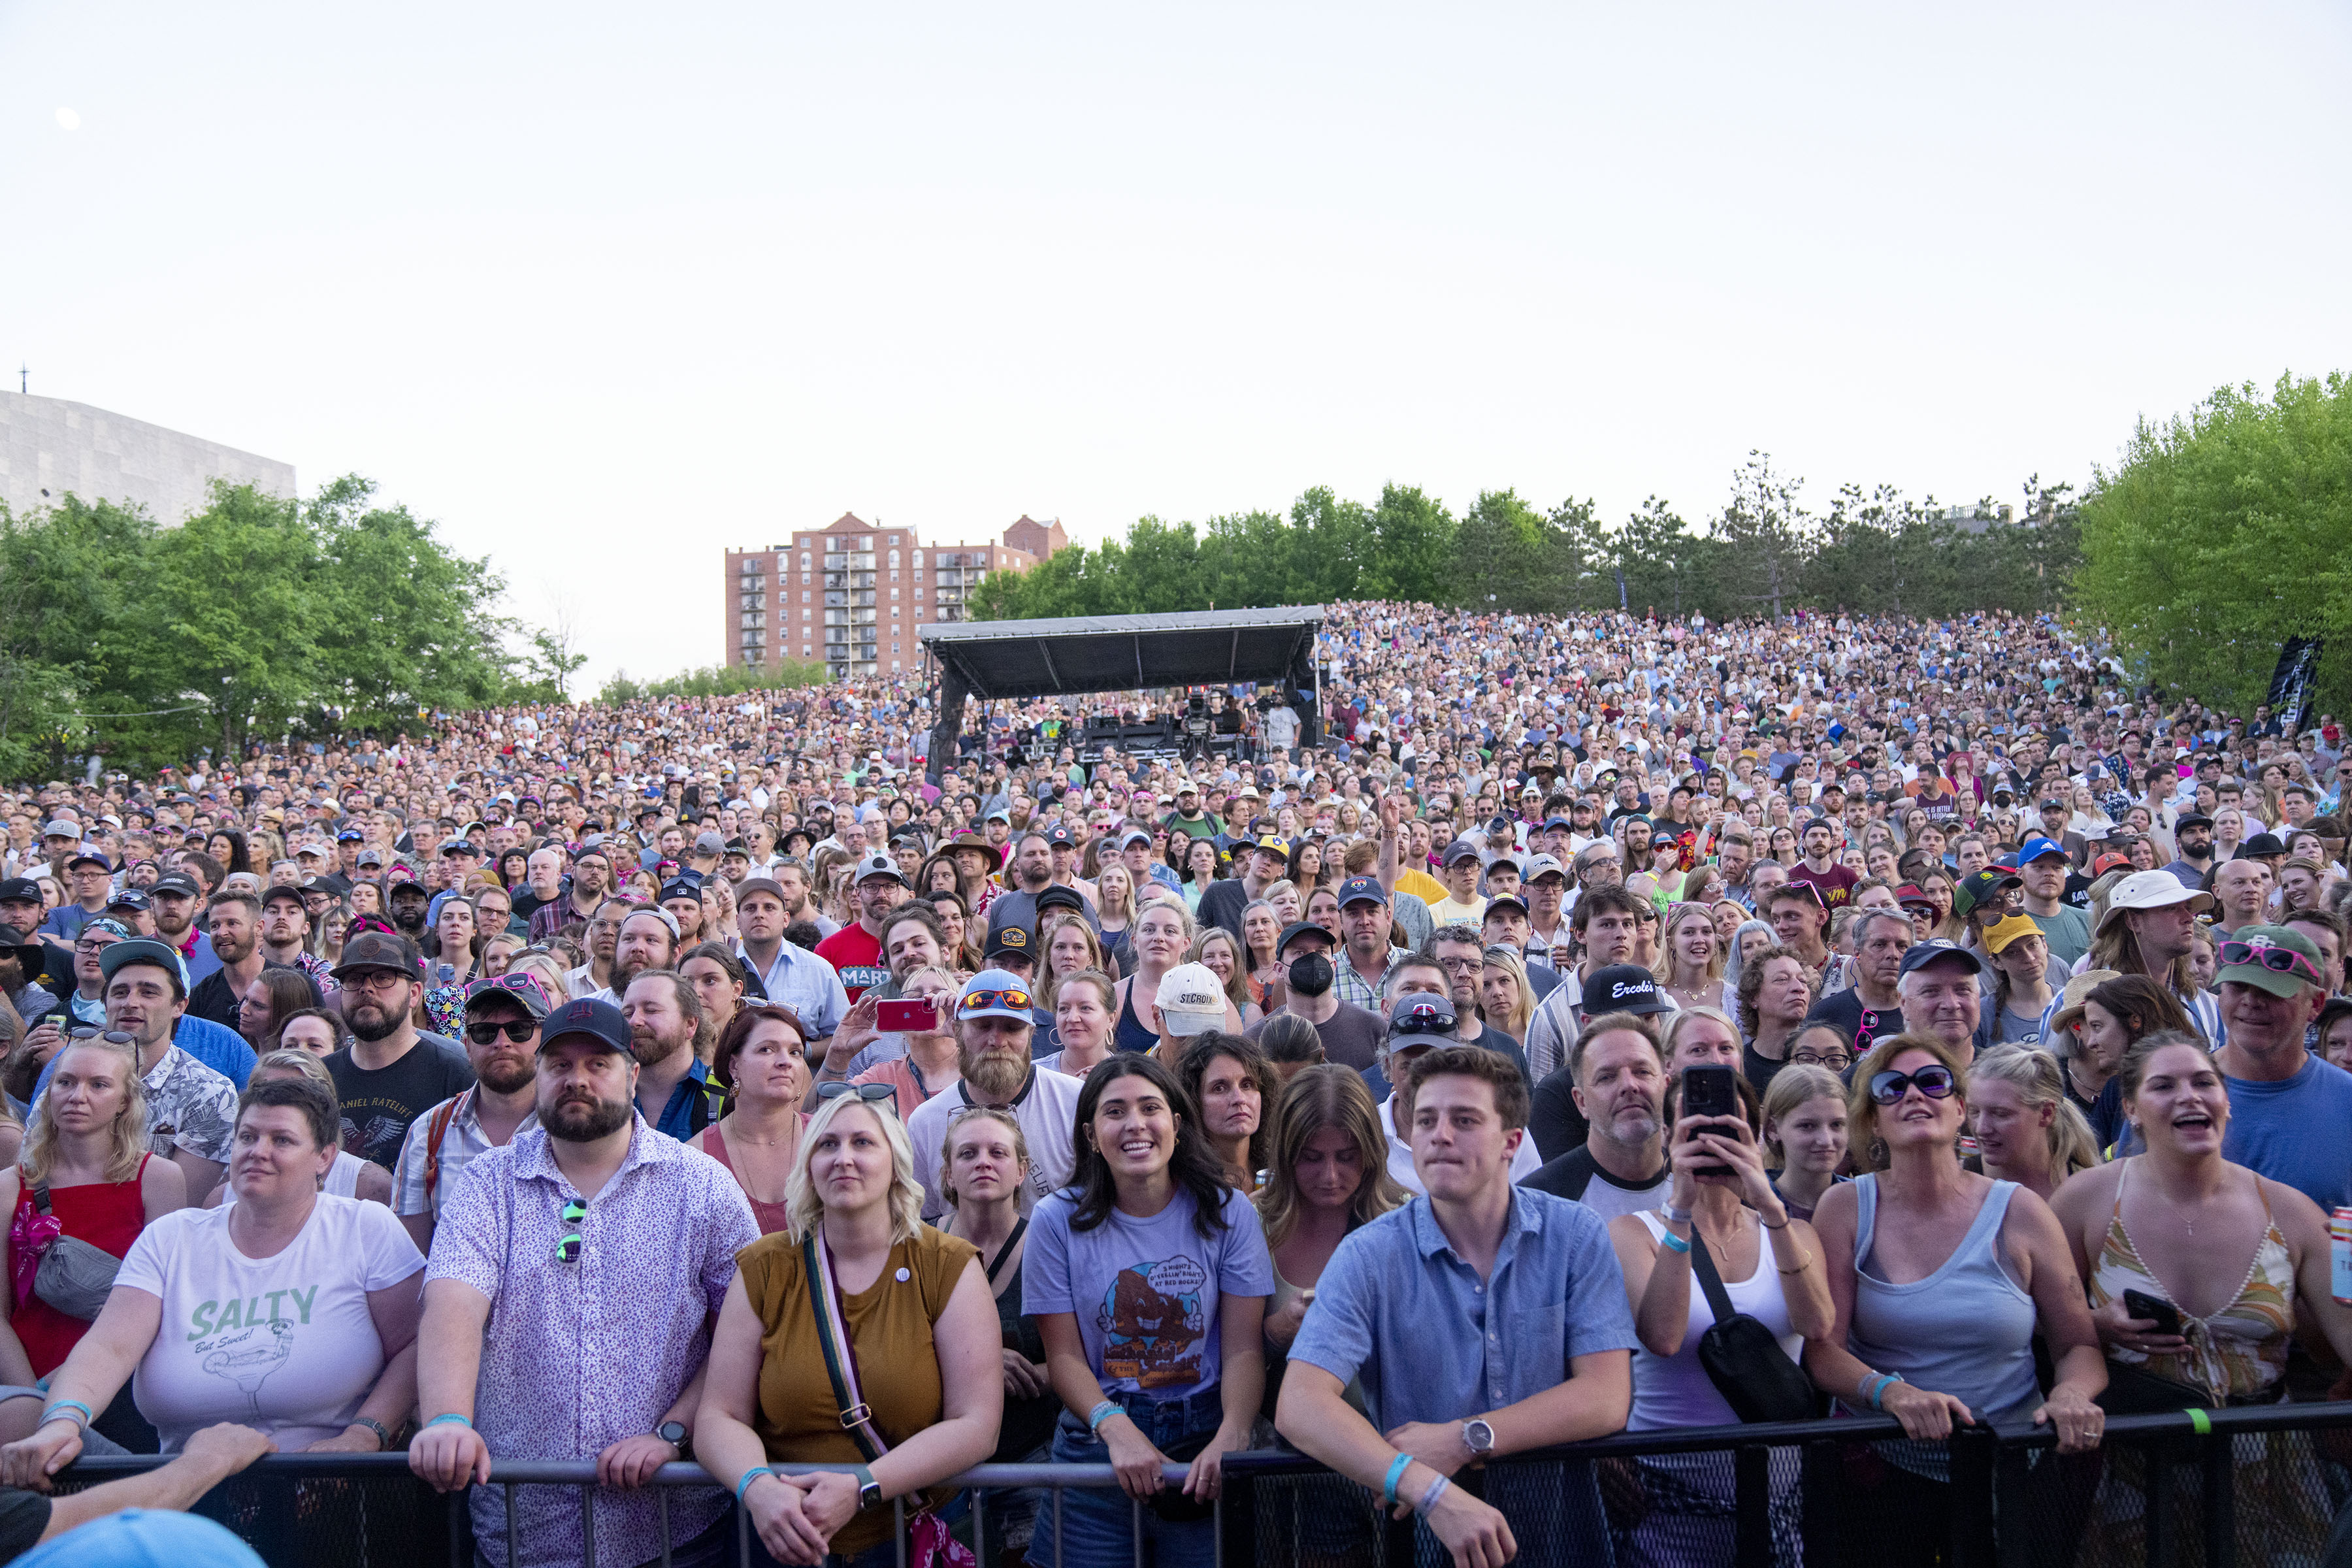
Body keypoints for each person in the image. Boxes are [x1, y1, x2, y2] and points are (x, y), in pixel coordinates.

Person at [410, 996, 760, 1568]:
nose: (577, 1079)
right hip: (520, 1532)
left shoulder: (703, 1185)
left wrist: (673, 1431)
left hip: (670, 1530)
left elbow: (747, 1331)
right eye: (560, 1065)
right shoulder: (488, 1183)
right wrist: (448, 1419)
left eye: (598, 1064)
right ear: (538, 1074)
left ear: (633, 1074)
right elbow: (453, 1303)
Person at [1278, 1045, 1638, 1568]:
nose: (1440, 1135)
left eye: (1464, 1120)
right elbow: (1301, 1404)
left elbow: (1606, 1396)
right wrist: (1426, 1488)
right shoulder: (1368, 1255)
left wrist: (1464, 1439)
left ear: (1512, 1142)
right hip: (1428, 1546)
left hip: (1562, 1538)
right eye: (1426, 1120)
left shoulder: (1575, 1235)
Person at [1, 1075, 423, 1508]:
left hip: (333, 1490)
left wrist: (364, 1435)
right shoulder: (172, 1238)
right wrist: (62, 1423)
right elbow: (110, 1348)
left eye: (282, 1140)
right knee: (16, 1415)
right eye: (247, 1137)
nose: (258, 1151)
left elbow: (415, 1343)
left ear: (325, 1157)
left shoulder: (363, 1228)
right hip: (187, 1494)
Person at [1801, 1034, 2106, 1567]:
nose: (1914, 1095)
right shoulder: (1844, 1207)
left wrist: (2072, 1394)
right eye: (1891, 1087)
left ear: (1961, 1108)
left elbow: (2078, 1344)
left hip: (2013, 1465)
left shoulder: (2022, 1210)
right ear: (1873, 1121)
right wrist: (1892, 1394)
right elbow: (1823, 1350)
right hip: (1889, 1474)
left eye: (1933, 1082)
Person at [692, 1084, 1002, 1568]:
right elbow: (719, 1416)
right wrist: (758, 1488)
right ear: (808, 1166)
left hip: (904, 1535)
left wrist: (862, 1488)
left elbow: (977, 1424)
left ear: (896, 1164)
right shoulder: (764, 1267)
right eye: (827, 1144)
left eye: (863, 1143)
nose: (843, 1158)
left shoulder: (947, 1264)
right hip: (783, 1535)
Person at [1025, 1054, 1271, 1568]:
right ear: (1091, 1135)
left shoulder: (1230, 1212)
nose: (1135, 1124)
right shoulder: (1054, 1220)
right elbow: (1064, 1357)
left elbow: (1244, 1349)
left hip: (1204, 1442)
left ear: (1176, 1125)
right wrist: (1116, 1429)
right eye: (1115, 1112)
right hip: (1096, 1445)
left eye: (1150, 1108)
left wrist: (1233, 1435)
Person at [2049, 1031, 2352, 1418]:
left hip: (2262, 1445)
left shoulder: (2291, 1213)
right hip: (2133, 1442)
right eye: (2163, 1086)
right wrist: (2092, 1324)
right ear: (2131, 1110)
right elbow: (2031, 1318)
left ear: (2227, 1103)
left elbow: (2342, 1340)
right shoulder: (2085, 1200)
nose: (2189, 1096)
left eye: (2204, 1083)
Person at [1606, 1064, 1831, 1567]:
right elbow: (1663, 1337)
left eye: (1730, 1128)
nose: (1714, 1142)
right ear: (1669, 1138)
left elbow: (1817, 1325)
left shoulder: (1794, 1233)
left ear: (1757, 1137)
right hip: (1668, 1505)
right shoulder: (1633, 1232)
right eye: (1696, 1129)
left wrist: (1770, 1206)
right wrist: (1682, 1210)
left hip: (1776, 1499)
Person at [0, 1030, 185, 1451]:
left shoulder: (158, 1179)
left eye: (98, 1085)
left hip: (122, 1388)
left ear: (124, 1102)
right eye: (65, 1082)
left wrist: (73, 1388)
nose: (77, 1096)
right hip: (27, 1379)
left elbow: (165, 1306)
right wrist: (32, 1400)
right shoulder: (9, 1187)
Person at [938, 1104, 1056, 1560]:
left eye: (998, 1152)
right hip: (941, 1470)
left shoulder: (1050, 1248)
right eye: (968, 1154)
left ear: (1022, 1170)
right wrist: (984, 1367)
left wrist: (1032, 1375)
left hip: (1031, 1463)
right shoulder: (917, 1248)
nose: (983, 1162)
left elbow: (1085, 1358)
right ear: (948, 1174)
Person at [904, 972, 1081, 1222]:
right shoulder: (926, 1123)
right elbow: (925, 1224)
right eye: (983, 1025)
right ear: (956, 1030)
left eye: (1012, 1028)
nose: (997, 1040)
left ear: (1031, 1033)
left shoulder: (1074, 1102)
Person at [389, 972, 546, 1253]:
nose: (502, 1042)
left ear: (544, 1041)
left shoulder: (575, 1127)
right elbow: (411, 1259)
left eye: (519, 1029)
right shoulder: (429, 1131)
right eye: (484, 1032)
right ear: (467, 1046)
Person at [2210, 924, 2352, 1213]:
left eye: (2271, 990)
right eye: (2238, 986)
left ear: (2316, 1004)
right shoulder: (2171, 1093)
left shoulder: (2345, 1100)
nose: (2251, 1001)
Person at [89, 940, 240, 1207]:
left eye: (148, 993)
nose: (130, 1003)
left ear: (179, 1006)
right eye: (120, 992)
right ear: (105, 1004)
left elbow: (179, 1209)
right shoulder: (72, 1078)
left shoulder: (210, 1093)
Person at [324, 930, 474, 1171]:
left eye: (383, 978)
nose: (366, 988)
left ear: (414, 994)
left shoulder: (454, 1074)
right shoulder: (321, 1076)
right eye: (353, 979)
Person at [1526, 1011, 1674, 1219]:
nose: (1629, 1085)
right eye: (1606, 1077)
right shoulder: (1538, 1204)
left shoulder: (1702, 1185)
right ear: (1581, 1102)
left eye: (1642, 1071)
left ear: (1666, 1086)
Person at [689, 1003, 813, 1235]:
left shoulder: (829, 1138)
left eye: (795, 1052)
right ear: (734, 1066)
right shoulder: (697, 1157)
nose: (785, 1061)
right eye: (766, 1049)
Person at [210, 1051, 391, 1209]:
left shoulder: (369, 1186)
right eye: (266, 1093)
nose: (276, 1105)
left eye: (295, 1097)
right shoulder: (221, 1199)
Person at [1243, 921, 1384, 1073]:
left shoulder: (1374, 1029)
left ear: (1334, 965)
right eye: (1300, 952)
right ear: (1279, 969)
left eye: (1321, 952)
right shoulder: (1256, 1041)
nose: (1313, 959)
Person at [1967, 1045, 2097, 1203]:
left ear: (2046, 1113)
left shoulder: (2091, 1191)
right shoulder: (1955, 1189)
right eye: (1974, 1112)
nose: (1982, 1129)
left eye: (2000, 1114)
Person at [1175, 1031, 1276, 1194]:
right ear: (1194, 1100)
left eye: (1247, 1085)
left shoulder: (1279, 1168)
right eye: (1219, 1088)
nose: (1239, 1099)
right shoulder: (1182, 1185)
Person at [1759, 1062, 1848, 1221]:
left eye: (1836, 1125)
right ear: (1773, 1129)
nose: (1826, 1140)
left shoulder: (1866, 1203)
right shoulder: (1751, 1203)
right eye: (1807, 1126)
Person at [1737, 945, 1818, 1092]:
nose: (1799, 987)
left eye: (1803, 980)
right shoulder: (1737, 1068)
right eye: (1782, 979)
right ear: (1753, 997)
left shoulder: (1820, 1063)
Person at [1980, 913, 2055, 1045]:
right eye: (2013, 952)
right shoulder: (1983, 1014)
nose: (2029, 958)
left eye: (2033, 945)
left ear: (2044, 945)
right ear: (1996, 962)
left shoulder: (2069, 1000)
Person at [232, 967, 316, 1056]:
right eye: (246, 999)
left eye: (257, 1005)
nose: (243, 1010)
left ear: (284, 1014)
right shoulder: (240, 1051)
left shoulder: (293, 1062)